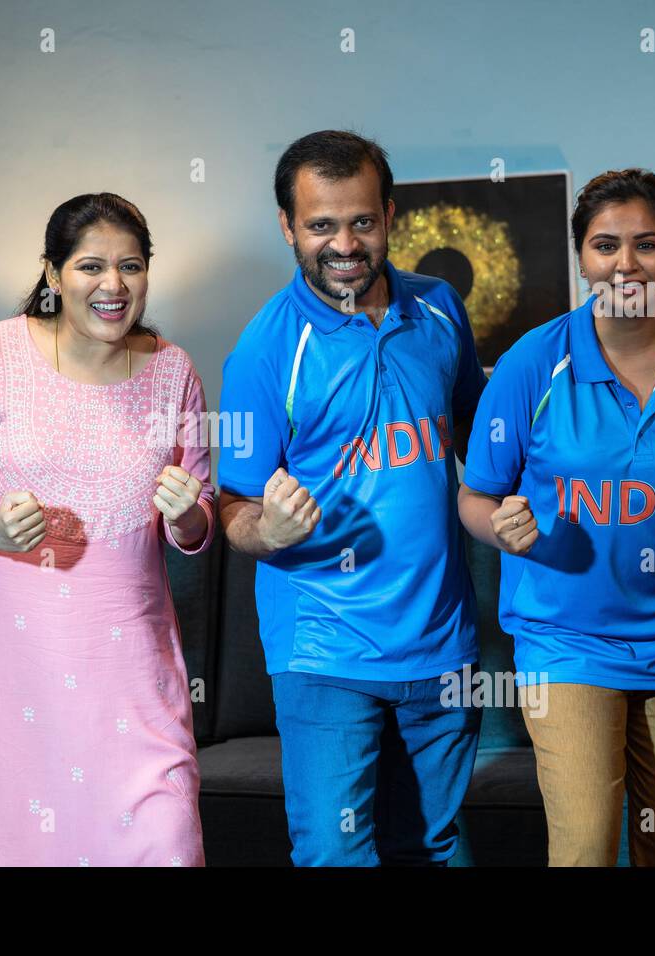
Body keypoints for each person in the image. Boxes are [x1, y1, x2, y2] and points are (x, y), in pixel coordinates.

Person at [458, 168, 655, 866]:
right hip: (564, 641)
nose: (626, 264)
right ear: (583, 258)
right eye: (606, 245)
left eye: (647, 244)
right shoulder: (532, 364)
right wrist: (500, 525)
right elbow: (475, 500)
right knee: (585, 848)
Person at [218, 130, 487, 866]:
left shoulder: (440, 311)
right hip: (325, 648)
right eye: (321, 225)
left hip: (443, 644)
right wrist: (265, 529)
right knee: (337, 855)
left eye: (361, 221)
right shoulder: (265, 352)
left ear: (390, 214)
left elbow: (483, 448)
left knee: (432, 847)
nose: (344, 242)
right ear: (288, 227)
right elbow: (231, 508)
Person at [0, 193, 214, 867]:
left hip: (128, 663)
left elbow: (195, 530)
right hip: (0, 655)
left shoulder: (176, 372)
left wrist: (186, 512)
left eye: (131, 266)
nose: (112, 285)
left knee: (162, 836)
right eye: (90, 266)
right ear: (53, 275)